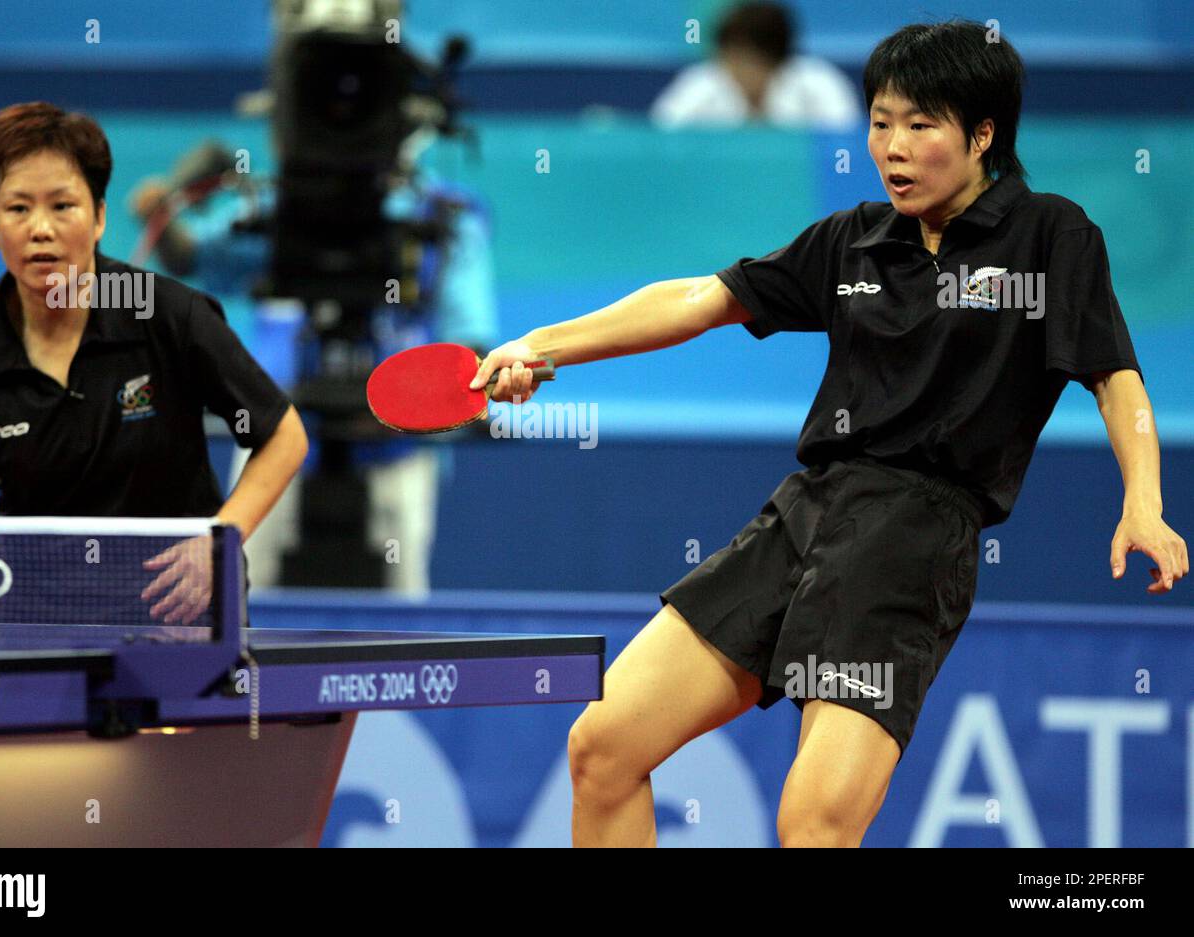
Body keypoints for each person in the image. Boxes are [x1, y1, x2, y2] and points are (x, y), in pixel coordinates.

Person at [472, 21, 1189, 847]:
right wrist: (540, 345)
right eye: (881, 122)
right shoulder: (856, 238)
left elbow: (1115, 375)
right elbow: (700, 299)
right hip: (805, 514)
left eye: (921, 125)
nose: (894, 146)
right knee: (603, 746)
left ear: (983, 133)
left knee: (813, 825)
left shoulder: (1051, 237)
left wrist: (1144, 502)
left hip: (913, 542)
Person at [0, 102, 308, 624]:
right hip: (32, 628)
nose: (40, 229)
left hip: (178, 619)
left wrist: (221, 538)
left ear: (99, 218)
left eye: (62, 206)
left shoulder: (167, 315)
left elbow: (283, 434)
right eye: (18, 209)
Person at [129, 132, 498, 594]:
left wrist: (469, 390)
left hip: (397, 445)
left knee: (401, 613)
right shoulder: (281, 207)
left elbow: (471, 334)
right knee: (240, 596)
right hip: (274, 436)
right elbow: (192, 255)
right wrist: (161, 206)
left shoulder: (443, 213)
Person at [651, 1, 861, 131]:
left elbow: (846, 144)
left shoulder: (820, 82)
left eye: (744, 59)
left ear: (776, 60)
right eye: (728, 57)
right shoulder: (702, 81)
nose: (732, 68)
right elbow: (660, 142)